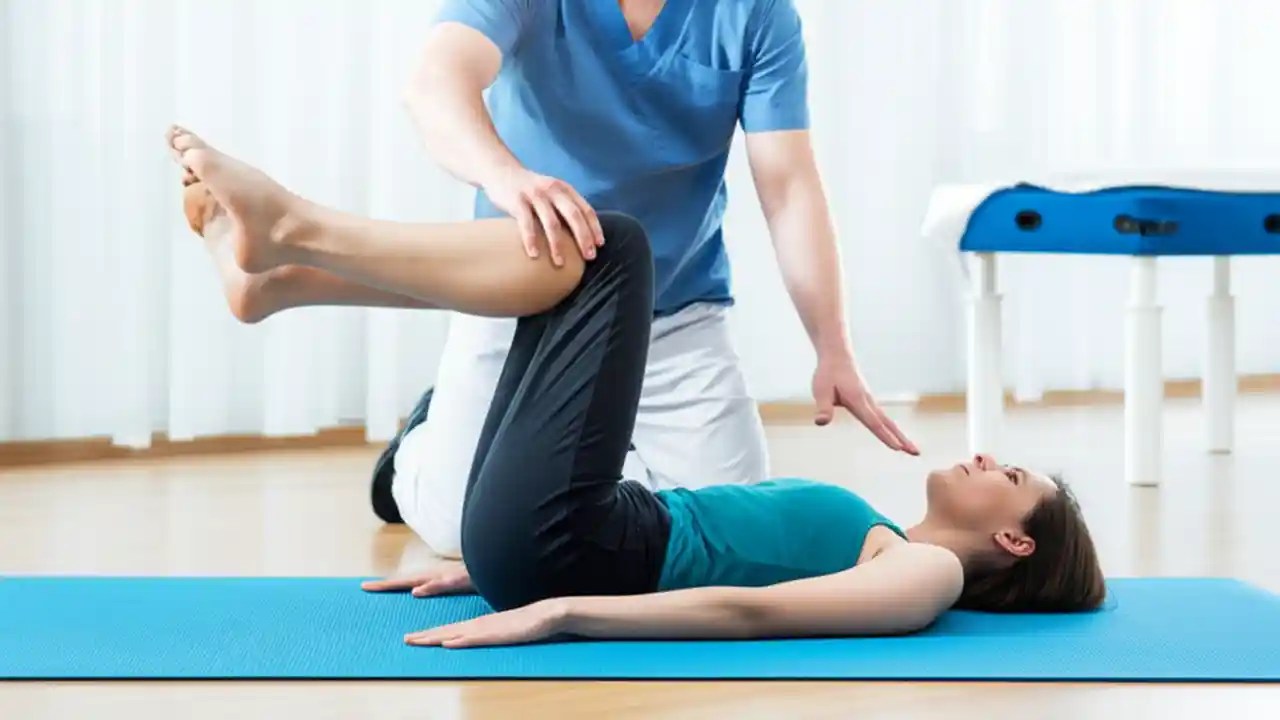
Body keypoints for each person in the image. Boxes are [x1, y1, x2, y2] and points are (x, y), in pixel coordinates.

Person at [168, 126, 1106, 649]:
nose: (989, 456)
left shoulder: (929, 572)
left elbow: (751, 611)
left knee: (610, 247)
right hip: (561, 538)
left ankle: (300, 239)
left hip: (574, 547)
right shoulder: (883, 535)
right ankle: (281, 276)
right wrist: (489, 566)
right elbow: (707, 542)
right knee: (574, 265)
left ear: (1013, 539)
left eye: (1011, 472)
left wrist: (567, 608)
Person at [373, 0, 922, 557]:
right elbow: (435, 82)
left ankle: (581, 454)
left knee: (724, 527)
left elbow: (788, 189)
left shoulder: (757, 14)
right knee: (459, 531)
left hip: (674, 313)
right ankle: (417, 446)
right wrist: (504, 177)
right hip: (520, 299)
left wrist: (832, 346)